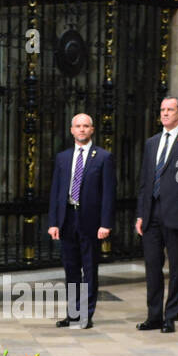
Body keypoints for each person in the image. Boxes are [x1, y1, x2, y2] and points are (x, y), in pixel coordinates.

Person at [135, 96, 178, 332]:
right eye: (162, 109)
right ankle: (153, 315)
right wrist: (140, 214)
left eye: (170, 109)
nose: (165, 113)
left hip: (177, 215)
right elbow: (145, 181)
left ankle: (170, 316)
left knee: (176, 268)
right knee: (152, 267)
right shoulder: (151, 142)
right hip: (152, 215)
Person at [48, 112, 115, 328]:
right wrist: (53, 222)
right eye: (78, 126)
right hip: (68, 218)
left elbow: (108, 193)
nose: (82, 129)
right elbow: (56, 191)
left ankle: (86, 314)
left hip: (91, 221)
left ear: (92, 130)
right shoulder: (63, 157)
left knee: (89, 268)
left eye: (86, 126)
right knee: (71, 268)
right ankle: (73, 313)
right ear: (71, 130)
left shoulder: (103, 157)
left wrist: (105, 223)